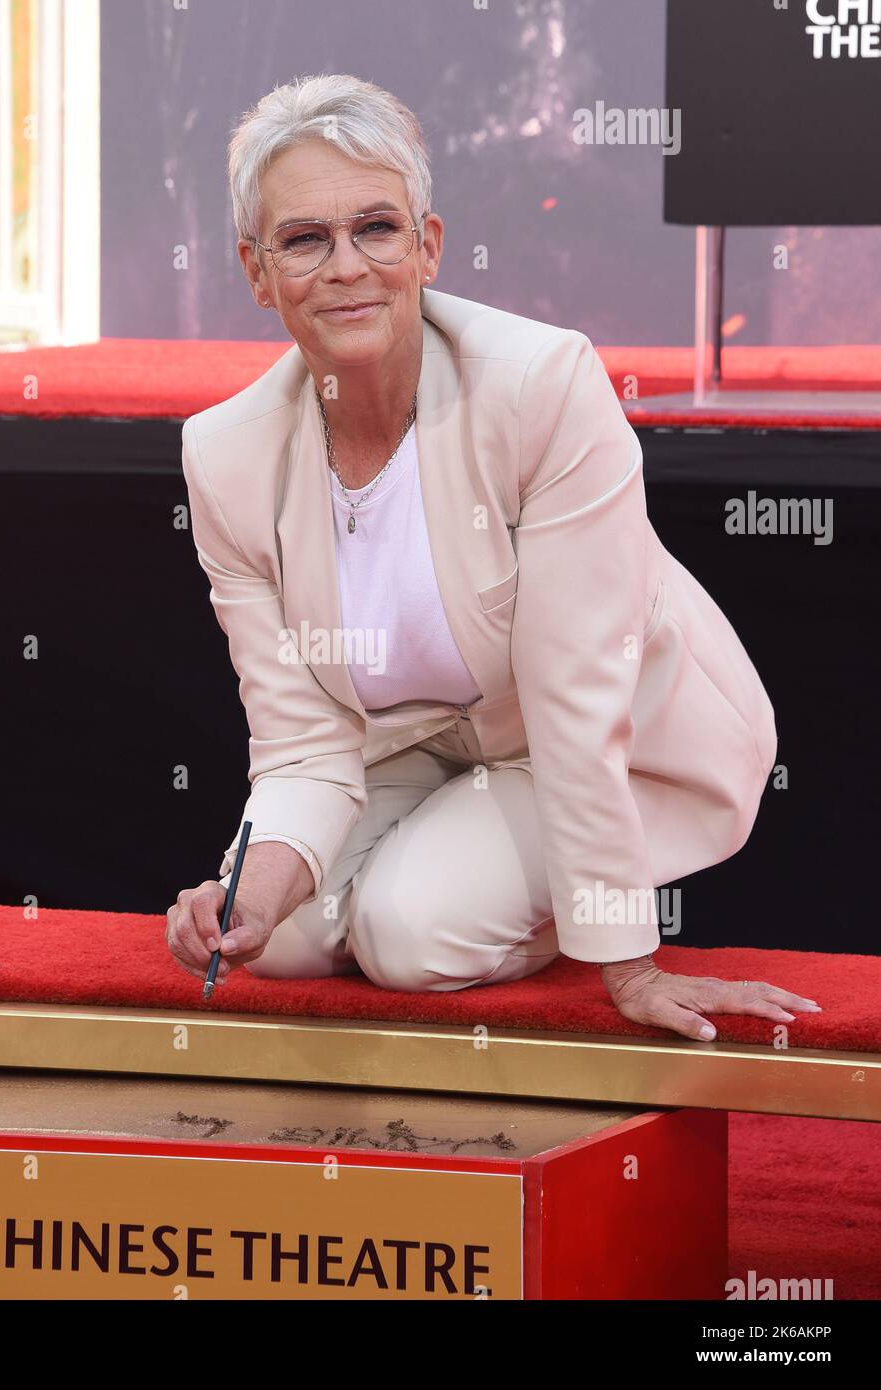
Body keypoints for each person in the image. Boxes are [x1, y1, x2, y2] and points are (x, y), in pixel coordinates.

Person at [166, 73, 820, 1042]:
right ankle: (412, 875)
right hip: (415, 748)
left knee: (405, 936)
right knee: (281, 936)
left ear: (427, 247)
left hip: (621, 739)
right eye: (305, 240)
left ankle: (512, 905)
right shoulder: (226, 454)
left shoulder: (541, 386)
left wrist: (624, 959)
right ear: (259, 272)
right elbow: (303, 740)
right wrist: (250, 890)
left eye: (376, 228)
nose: (346, 265)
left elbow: (576, 692)